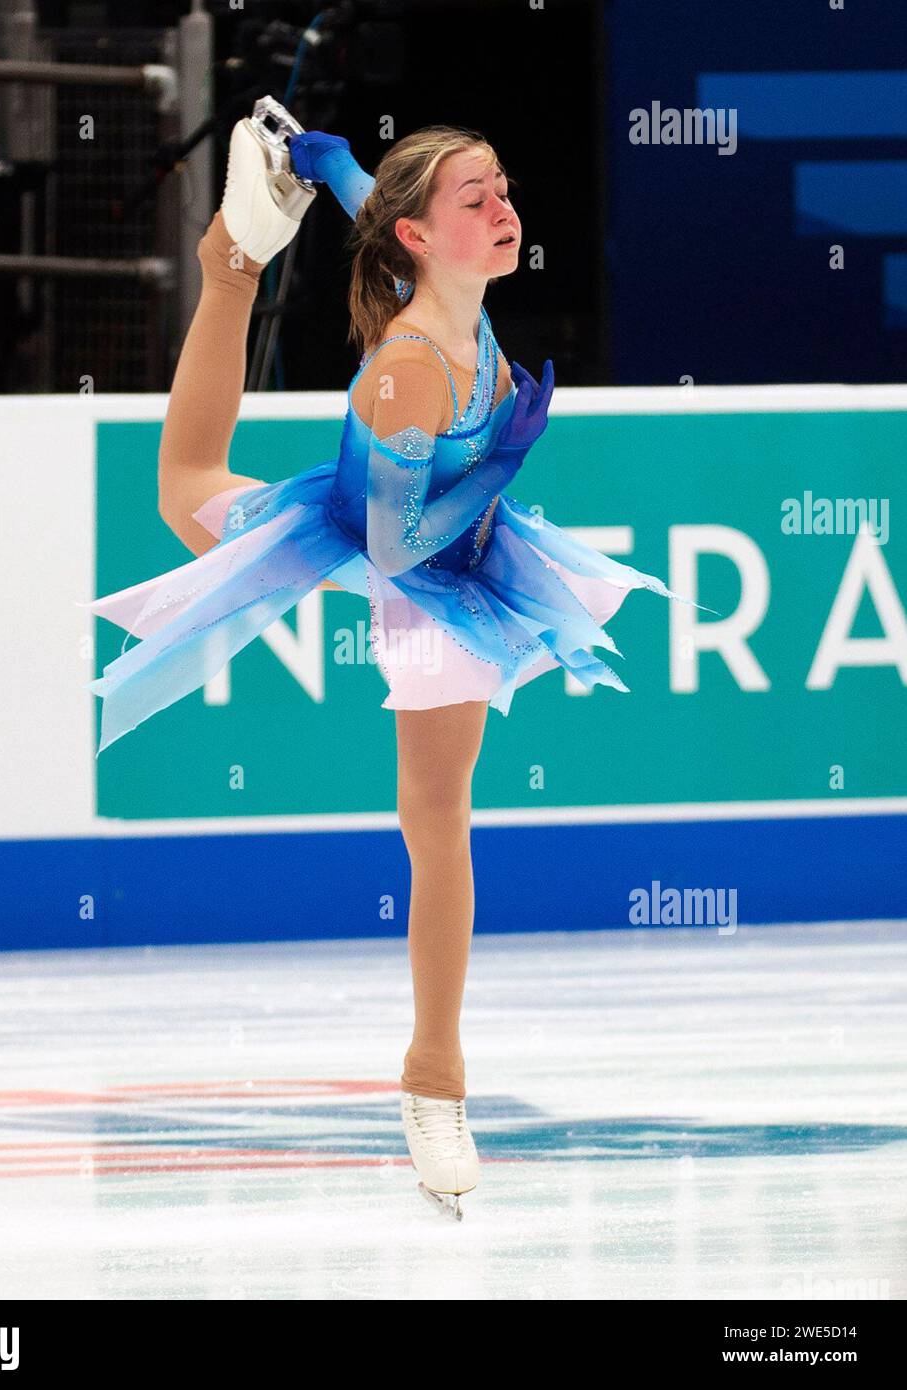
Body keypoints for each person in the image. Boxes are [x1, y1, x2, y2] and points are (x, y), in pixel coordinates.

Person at [82, 97, 715, 1214]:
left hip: (459, 543)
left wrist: (335, 169)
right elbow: (389, 546)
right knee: (186, 488)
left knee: (443, 816)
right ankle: (228, 269)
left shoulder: (454, 293)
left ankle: (434, 1070)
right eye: (481, 200)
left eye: (507, 189)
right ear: (427, 238)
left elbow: (391, 215)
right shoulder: (410, 365)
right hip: (404, 553)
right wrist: (501, 457)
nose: (507, 209)